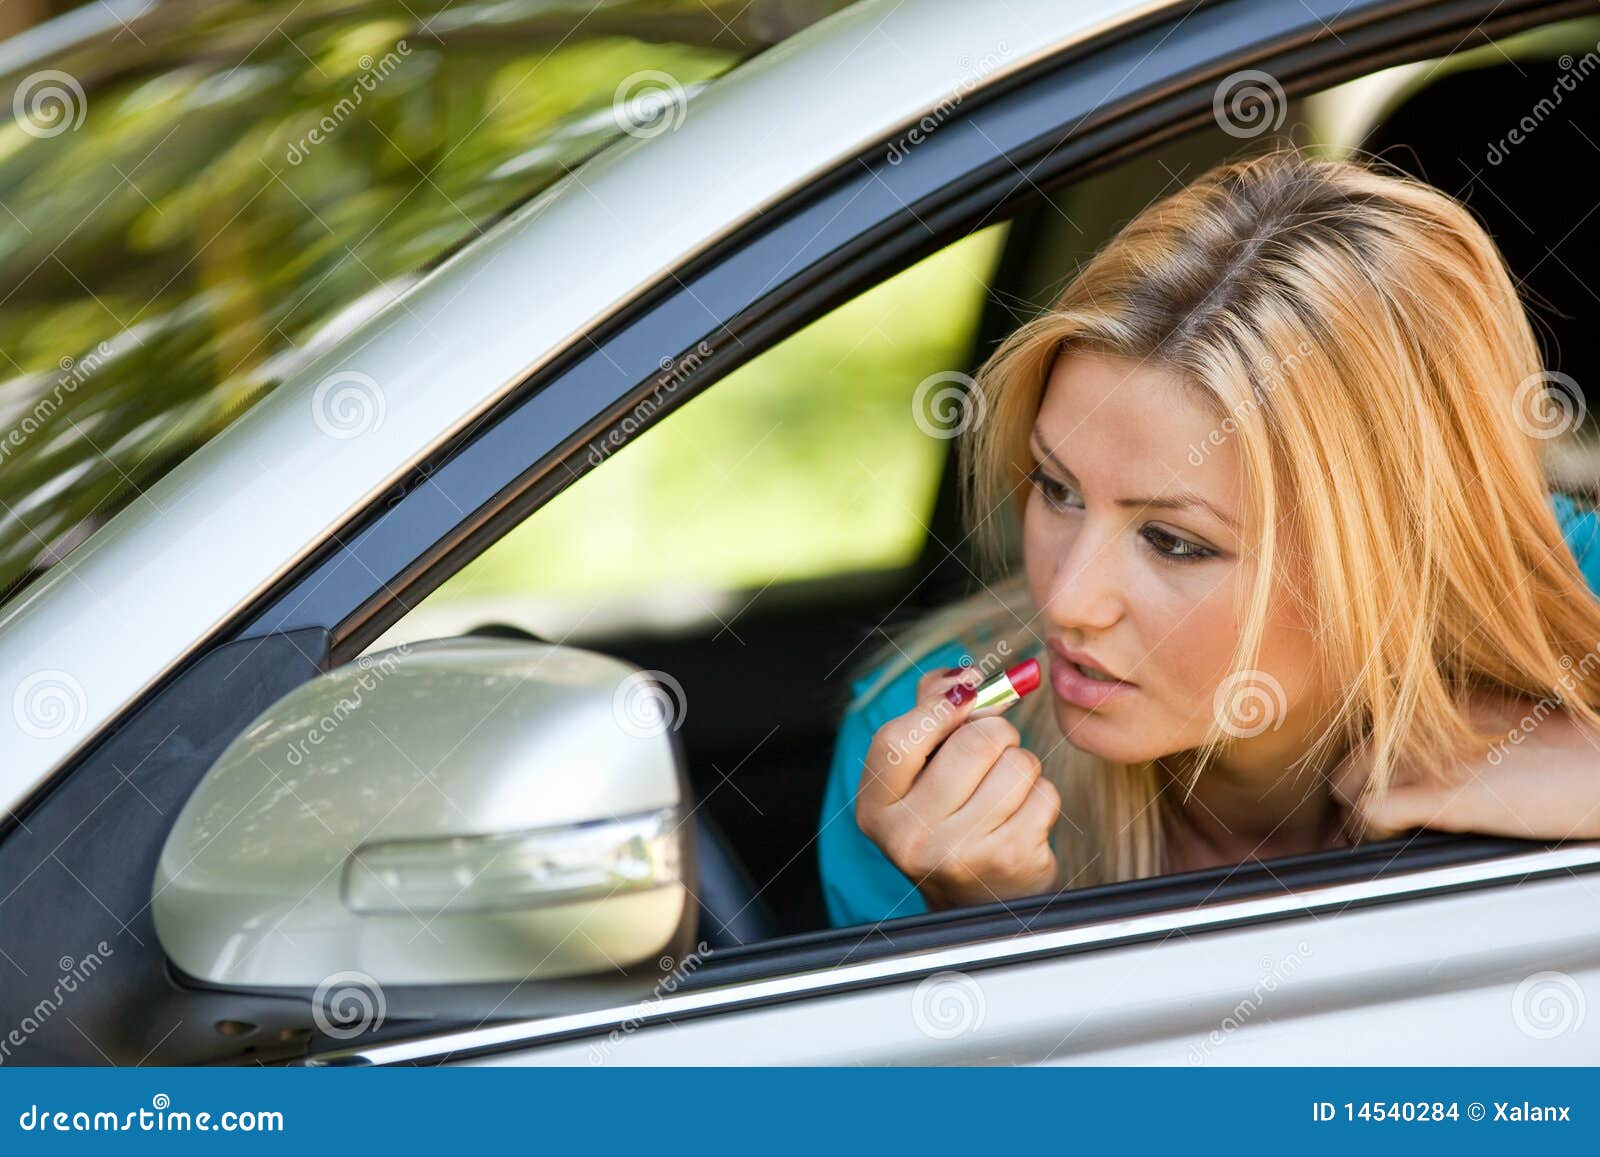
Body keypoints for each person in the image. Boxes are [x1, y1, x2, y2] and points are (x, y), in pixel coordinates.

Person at [818, 148, 1600, 930]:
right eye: (1057, 489)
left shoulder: (1579, 598)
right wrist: (990, 923)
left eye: (1174, 540)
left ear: (1388, 558)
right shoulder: (919, 776)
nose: (1064, 600)